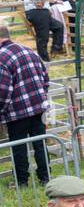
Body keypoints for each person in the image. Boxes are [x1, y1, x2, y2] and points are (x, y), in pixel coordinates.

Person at [0, 23, 51, 186]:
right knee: (40, 143)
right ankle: (45, 177)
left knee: (19, 146)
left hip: (17, 112)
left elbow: (3, 91)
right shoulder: (29, 50)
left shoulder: (2, 57)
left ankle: (21, 181)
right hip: (38, 108)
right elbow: (45, 78)